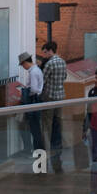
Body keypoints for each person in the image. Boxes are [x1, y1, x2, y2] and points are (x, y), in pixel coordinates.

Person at [40, 41, 68, 173]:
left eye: (44, 51)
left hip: (49, 97)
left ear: (49, 50)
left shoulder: (49, 63)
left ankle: (47, 153)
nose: (43, 54)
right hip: (60, 96)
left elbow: (42, 80)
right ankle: (58, 151)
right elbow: (64, 77)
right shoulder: (62, 61)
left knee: (47, 126)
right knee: (58, 124)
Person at [17, 52, 46, 154]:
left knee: (34, 128)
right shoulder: (37, 70)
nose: (23, 67)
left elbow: (33, 89)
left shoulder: (33, 72)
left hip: (33, 101)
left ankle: (38, 150)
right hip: (36, 100)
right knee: (36, 128)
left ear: (25, 62)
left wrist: (26, 90)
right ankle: (38, 150)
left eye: (22, 64)